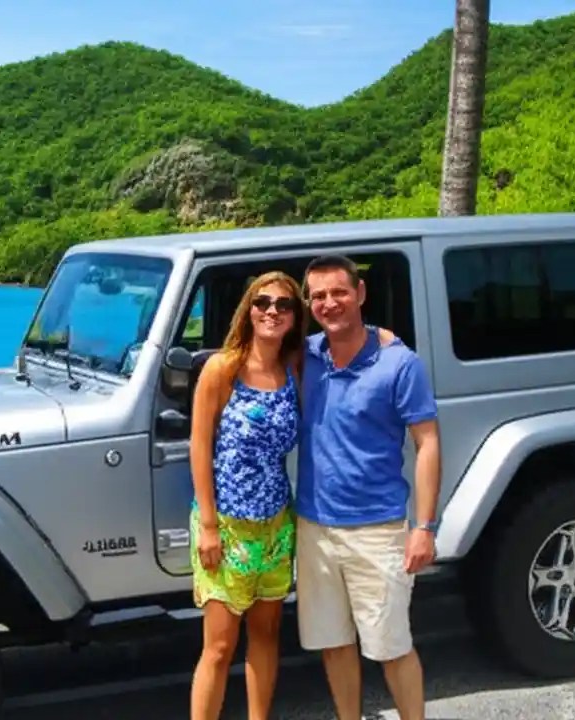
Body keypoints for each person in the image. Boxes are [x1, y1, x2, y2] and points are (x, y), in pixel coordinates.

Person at [294, 254, 442, 720]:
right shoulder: (305, 356)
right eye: (318, 296)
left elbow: (427, 443)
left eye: (339, 292)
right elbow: (247, 352)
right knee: (333, 644)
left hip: (378, 530)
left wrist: (424, 527)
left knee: (391, 647)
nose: (329, 303)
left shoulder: (399, 363)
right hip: (314, 529)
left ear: (360, 293)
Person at [187, 270, 309, 720]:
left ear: (295, 316)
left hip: (275, 526)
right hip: (226, 525)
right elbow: (199, 446)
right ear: (248, 309)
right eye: (262, 302)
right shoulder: (224, 368)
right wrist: (209, 526)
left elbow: (347, 337)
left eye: (283, 304)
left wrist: (385, 337)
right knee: (219, 646)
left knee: (266, 636)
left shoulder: (294, 369)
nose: (272, 311)